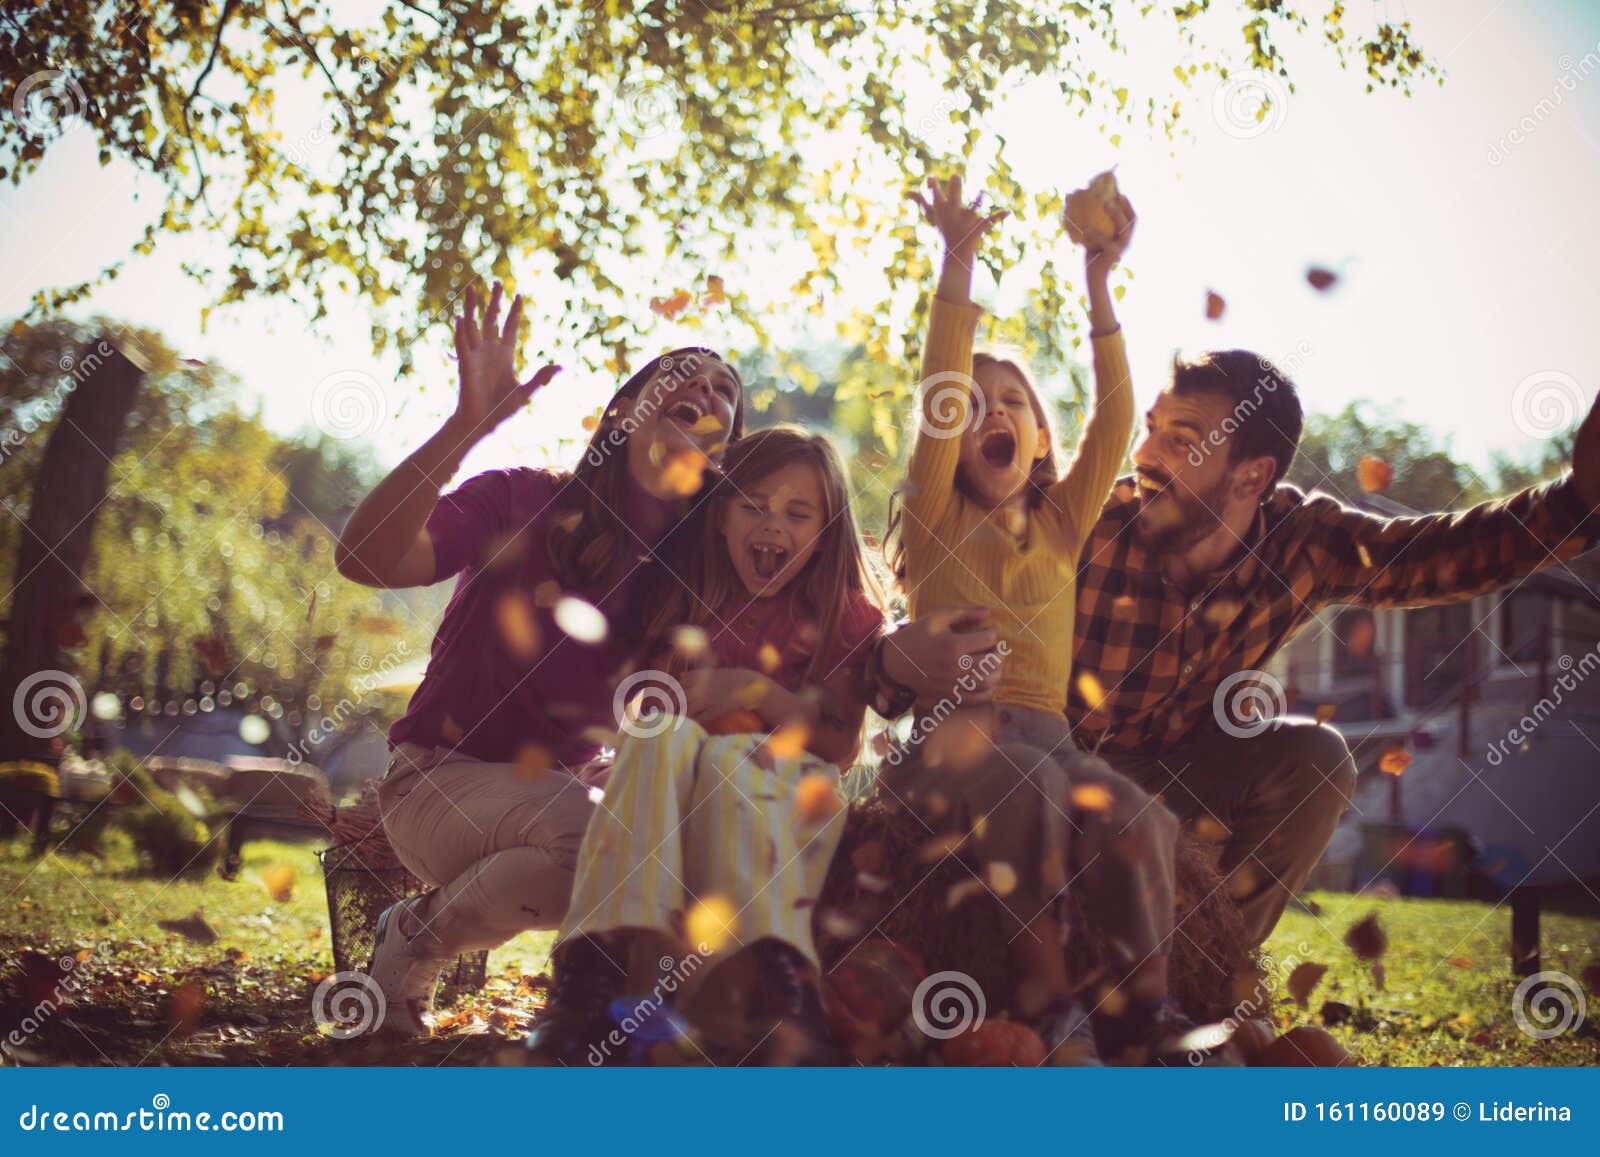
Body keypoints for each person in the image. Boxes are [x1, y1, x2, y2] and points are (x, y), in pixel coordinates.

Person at [868, 336, 1600, 951]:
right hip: (1026, 783)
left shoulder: (1302, 542)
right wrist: (892, 661)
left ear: (1252, 475)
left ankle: (1207, 978)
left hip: (1165, 789)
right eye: (1150, 426)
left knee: (1315, 757)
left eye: (1181, 441)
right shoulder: (1083, 524)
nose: (1144, 452)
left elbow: (1432, 554)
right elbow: (947, 599)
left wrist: (1578, 499)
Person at [334, 281, 746, 1035]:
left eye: (726, 389)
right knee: (598, 838)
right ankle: (414, 939)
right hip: (434, 784)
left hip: (553, 801)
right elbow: (363, 557)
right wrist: (465, 426)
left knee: (655, 838)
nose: (708, 386)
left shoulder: (691, 586)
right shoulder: (520, 500)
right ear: (624, 413)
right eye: (682, 373)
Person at [873, 175, 1211, 1066]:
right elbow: (943, 382)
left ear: (1042, 441)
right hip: (953, 742)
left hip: (1054, 743)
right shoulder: (935, 518)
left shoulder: (1063, 526)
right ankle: (1048, 1001)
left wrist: (1099, 286)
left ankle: (1146, 1015)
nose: (991, 413)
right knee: (1028, 780)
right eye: (974, 407)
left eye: (1014, 403)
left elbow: (1115, 417)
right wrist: (958, 260)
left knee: (1134, 811)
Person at [528, 426, 885, 1065]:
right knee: (660, 732)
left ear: (827, 530)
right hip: (686, 792)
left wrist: (756, 692)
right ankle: (594, 973)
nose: (772, 524)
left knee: (729, 760)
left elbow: (839, 742)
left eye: (798, 513)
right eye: (753, 505)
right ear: (720, 516)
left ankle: (778, 978)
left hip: (785, 793)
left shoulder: (844, 613)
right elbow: (640, 706)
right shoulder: (681, 596)